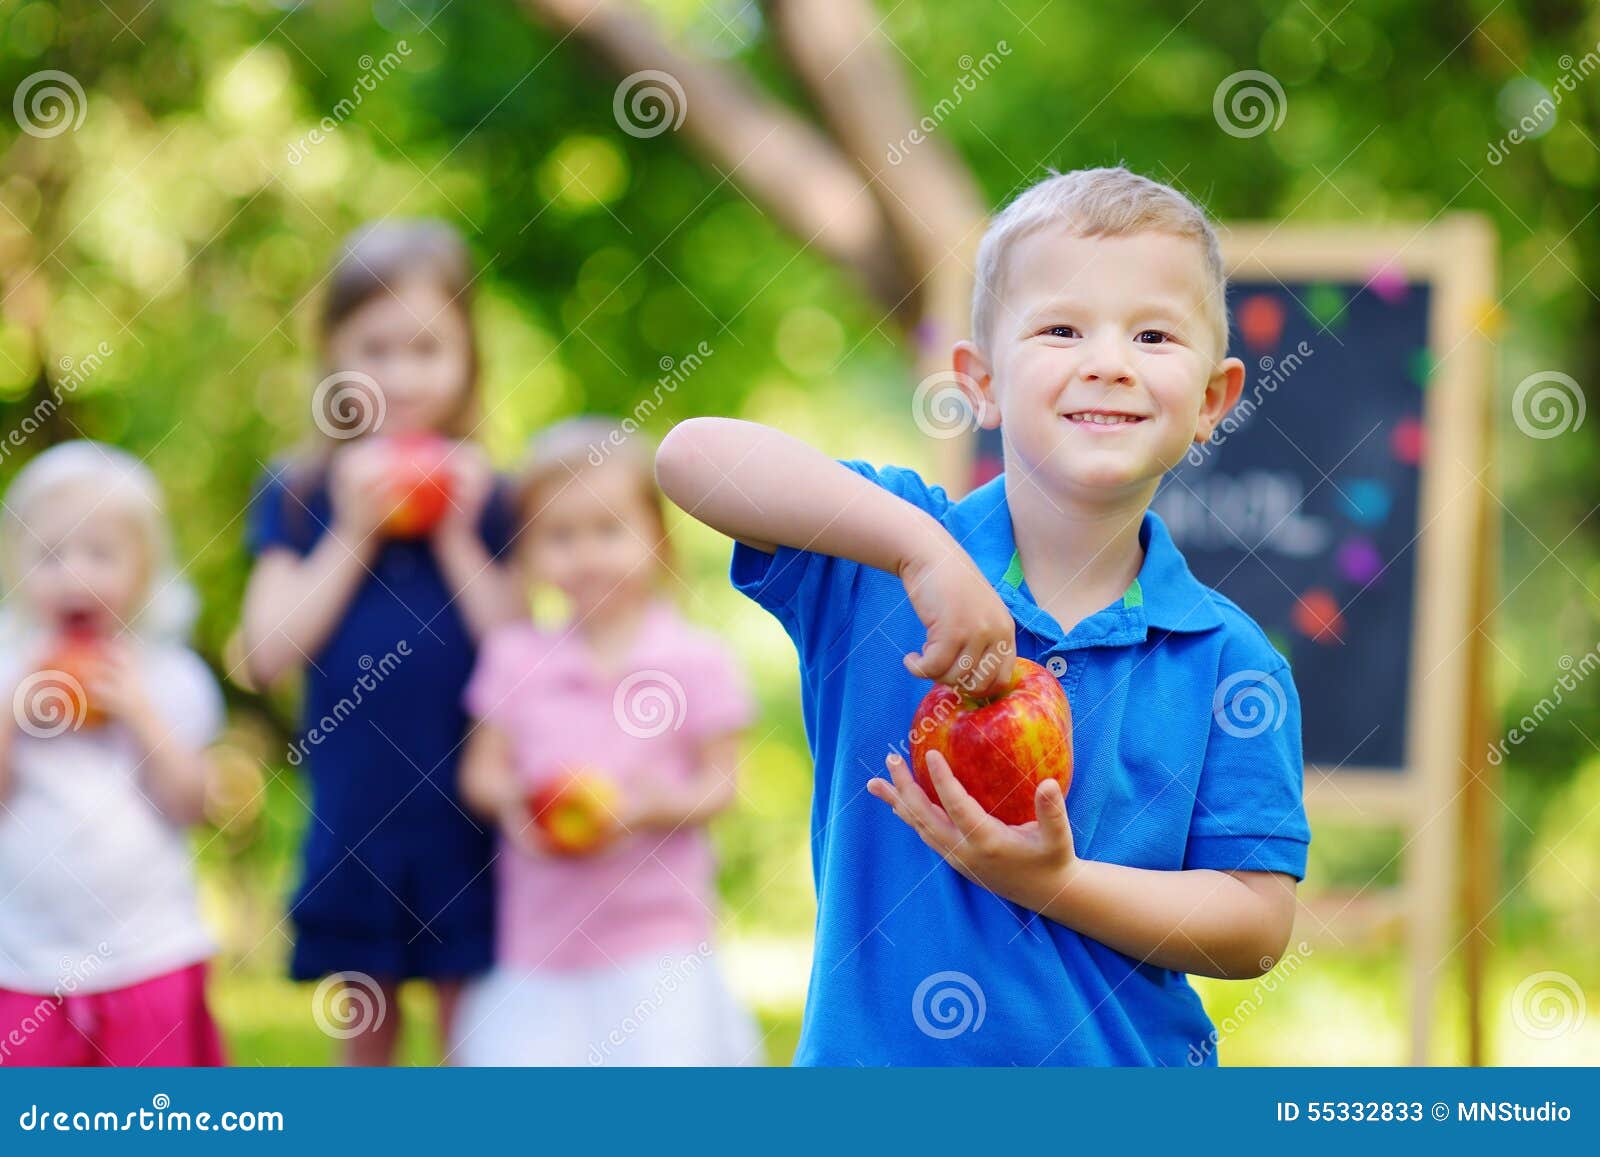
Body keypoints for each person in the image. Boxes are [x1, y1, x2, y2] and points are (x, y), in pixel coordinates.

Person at [654, 167, 1311, 1065]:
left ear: (1210, 400)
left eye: (1153, 333)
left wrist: (1059, 882)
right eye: (1062, 328)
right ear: (981, 381)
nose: (1107, 360)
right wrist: (920, 552)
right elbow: (693, 456)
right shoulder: (878, 562)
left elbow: (1256, 925)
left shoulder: (1229, 660)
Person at [240, 219, 521, 1064]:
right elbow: (264, 651)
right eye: (377, 346)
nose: (401, 373)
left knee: (471, 1035)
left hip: (465, 815)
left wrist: (462, 536)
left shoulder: (491, 493)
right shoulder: (300, 492)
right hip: (356, 809)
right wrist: (357, 528)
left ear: (470, 356)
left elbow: (522, 654)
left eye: (428, 348)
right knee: (366, 1036)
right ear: (333, 351)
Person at [451, 418, 758, 1066]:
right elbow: (480, 771)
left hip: (658, 943)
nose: (587, 554)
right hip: (541, 946)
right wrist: (517, 801)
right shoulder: (514, 657)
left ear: (658, 541)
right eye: (560, 536)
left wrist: (651, 805)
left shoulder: (695, 659)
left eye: (610, 530)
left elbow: (723, 782)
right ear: (528, 554)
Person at [0, 442, 225, 1066]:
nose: (75, 575)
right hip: (23, 960)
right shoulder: (9, 668)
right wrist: (11, 719)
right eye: (49, 555)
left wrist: (141, 715)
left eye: (100, 554)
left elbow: (192, 803)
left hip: (147, 950)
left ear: (145, 569)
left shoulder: (170, 675)